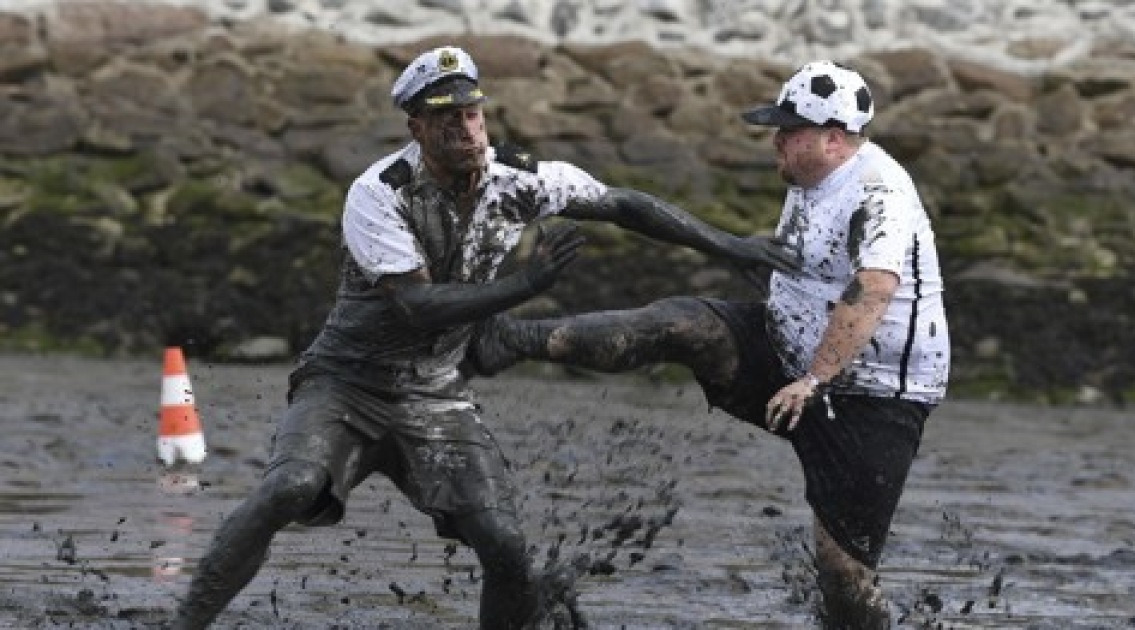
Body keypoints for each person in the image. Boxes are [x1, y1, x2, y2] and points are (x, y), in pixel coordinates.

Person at [170, 45, 798, 630]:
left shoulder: (516, 180)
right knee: (288, 487)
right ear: (417, 127)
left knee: (504, 543)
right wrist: (527, 284)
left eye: (472, 114)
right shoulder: (380, 192)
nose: (467, 130)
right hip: (345, 383)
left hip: (435, 393)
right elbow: (416, 305)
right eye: (448, 120)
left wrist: (728, 244)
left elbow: (622, 203)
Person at [470, 60, 951, 629]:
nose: (775, 140)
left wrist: (813, 380)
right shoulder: (811, 176)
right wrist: (752, 260)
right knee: (682, 324)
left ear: (833, 139)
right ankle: (508, 340)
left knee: (843, 577)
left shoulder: (879, 191)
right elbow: (817, 261)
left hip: (871, 396)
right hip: (786, 350)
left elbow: (873, 288)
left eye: (788, 130)